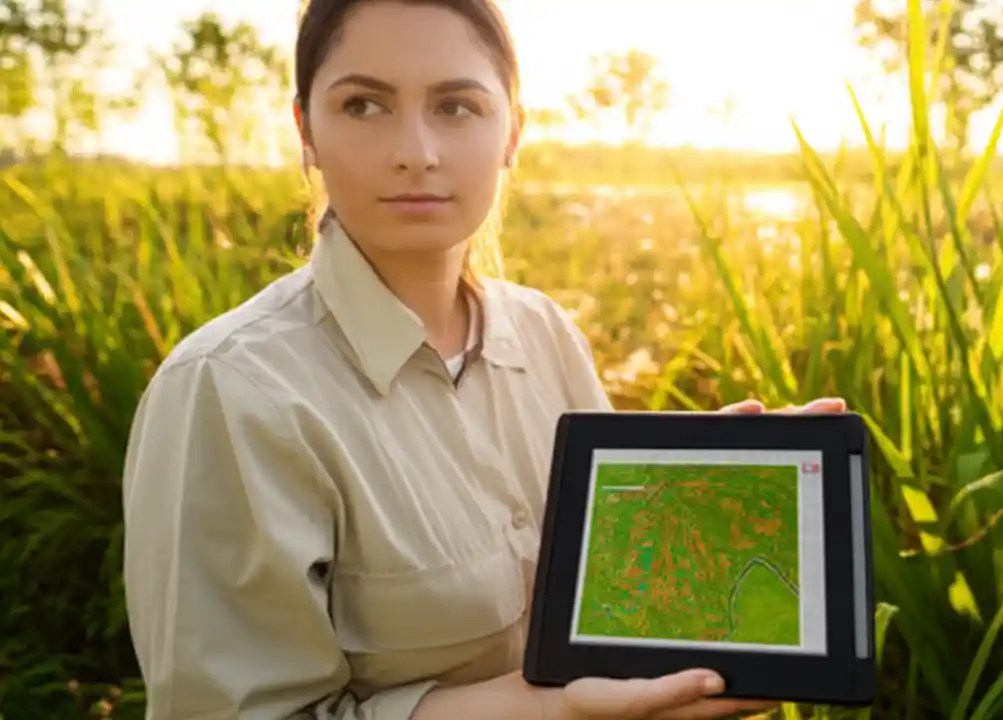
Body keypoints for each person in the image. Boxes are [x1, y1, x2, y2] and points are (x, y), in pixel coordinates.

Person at [120, 1, 847, 718]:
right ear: (306, 130)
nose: (416, 150)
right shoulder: (231, 389)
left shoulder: (545, 333)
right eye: (365, 105)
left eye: (457, 106)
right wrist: (549, 710)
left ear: (513, 133)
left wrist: (698, 492)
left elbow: (604, 596)